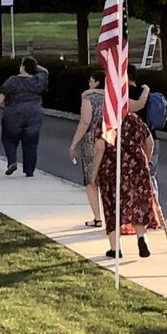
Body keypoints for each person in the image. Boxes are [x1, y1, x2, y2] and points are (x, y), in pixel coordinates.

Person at [90, 112, 160, 259]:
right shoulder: (134, 119)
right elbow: (150, 142)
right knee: (137, 205)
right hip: (136, 167)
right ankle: (141, 237)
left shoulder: (106, 121)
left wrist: (93, 174)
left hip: (112, 169)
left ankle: (115, 248)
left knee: (112, 208)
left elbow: (99, 148)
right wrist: (145, 160)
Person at [0, 56, 49, 177]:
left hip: (13, 113)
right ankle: (29, 170)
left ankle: (12, 161)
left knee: (9, 139)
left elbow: (3, 94)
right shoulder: (38, 79)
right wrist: (34, 66)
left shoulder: (13, 80)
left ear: (23, 67)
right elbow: (45, 71)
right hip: (34, 113)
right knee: (31, 143)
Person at [67, 70, 106, 228]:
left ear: (97, 82)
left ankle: (97, 217)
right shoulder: (114, 97)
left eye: (91, 81)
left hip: (92, 139)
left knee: (91, 178)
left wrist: (74, 143)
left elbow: (85, 121)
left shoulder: (88, 98)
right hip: (110, 139)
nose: (89, 84)